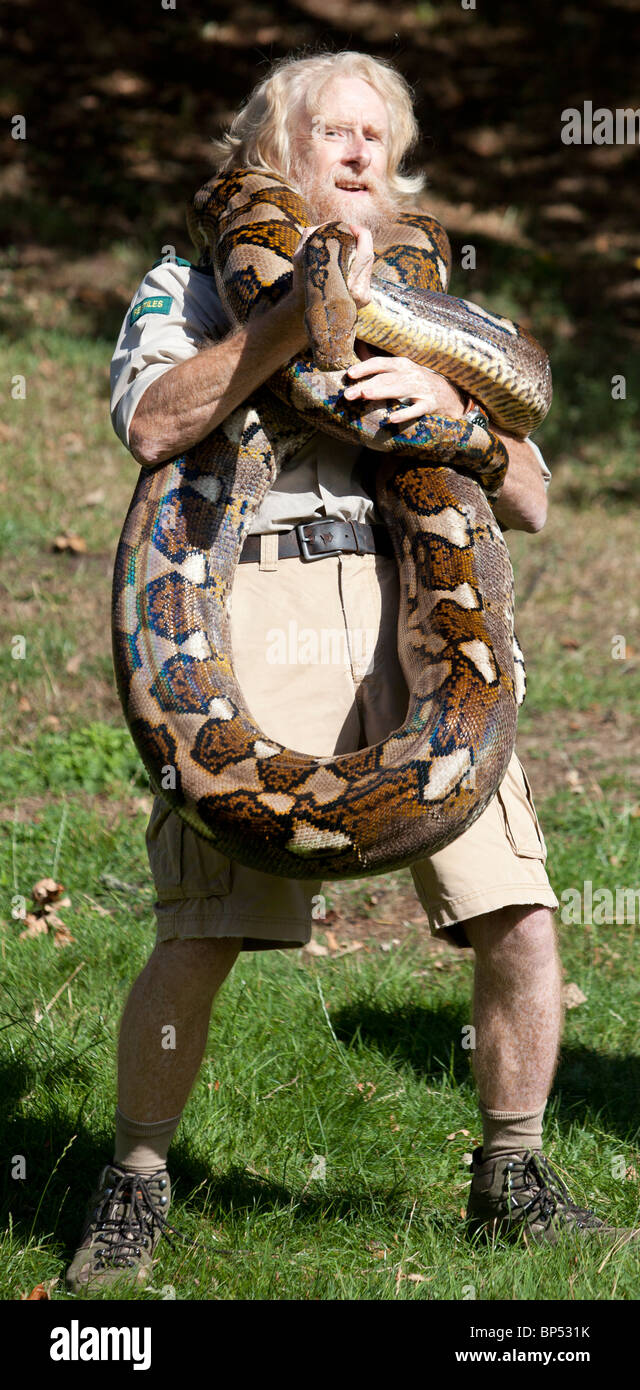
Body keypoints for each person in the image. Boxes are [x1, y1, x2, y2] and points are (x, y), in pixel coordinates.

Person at [66, 50, 636, 1294]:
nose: (361, 151)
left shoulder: (443, 308)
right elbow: (158, 426)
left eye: (380, 134)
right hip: (253, 610)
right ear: (275, 148)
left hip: (422, 621)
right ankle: (136, 1180)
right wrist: (283, 326)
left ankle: (514, 1174)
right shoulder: (192, 286)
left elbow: (532, 497)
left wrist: (443, 393)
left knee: (521, 915)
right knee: (202, 934)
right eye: (333, 130)